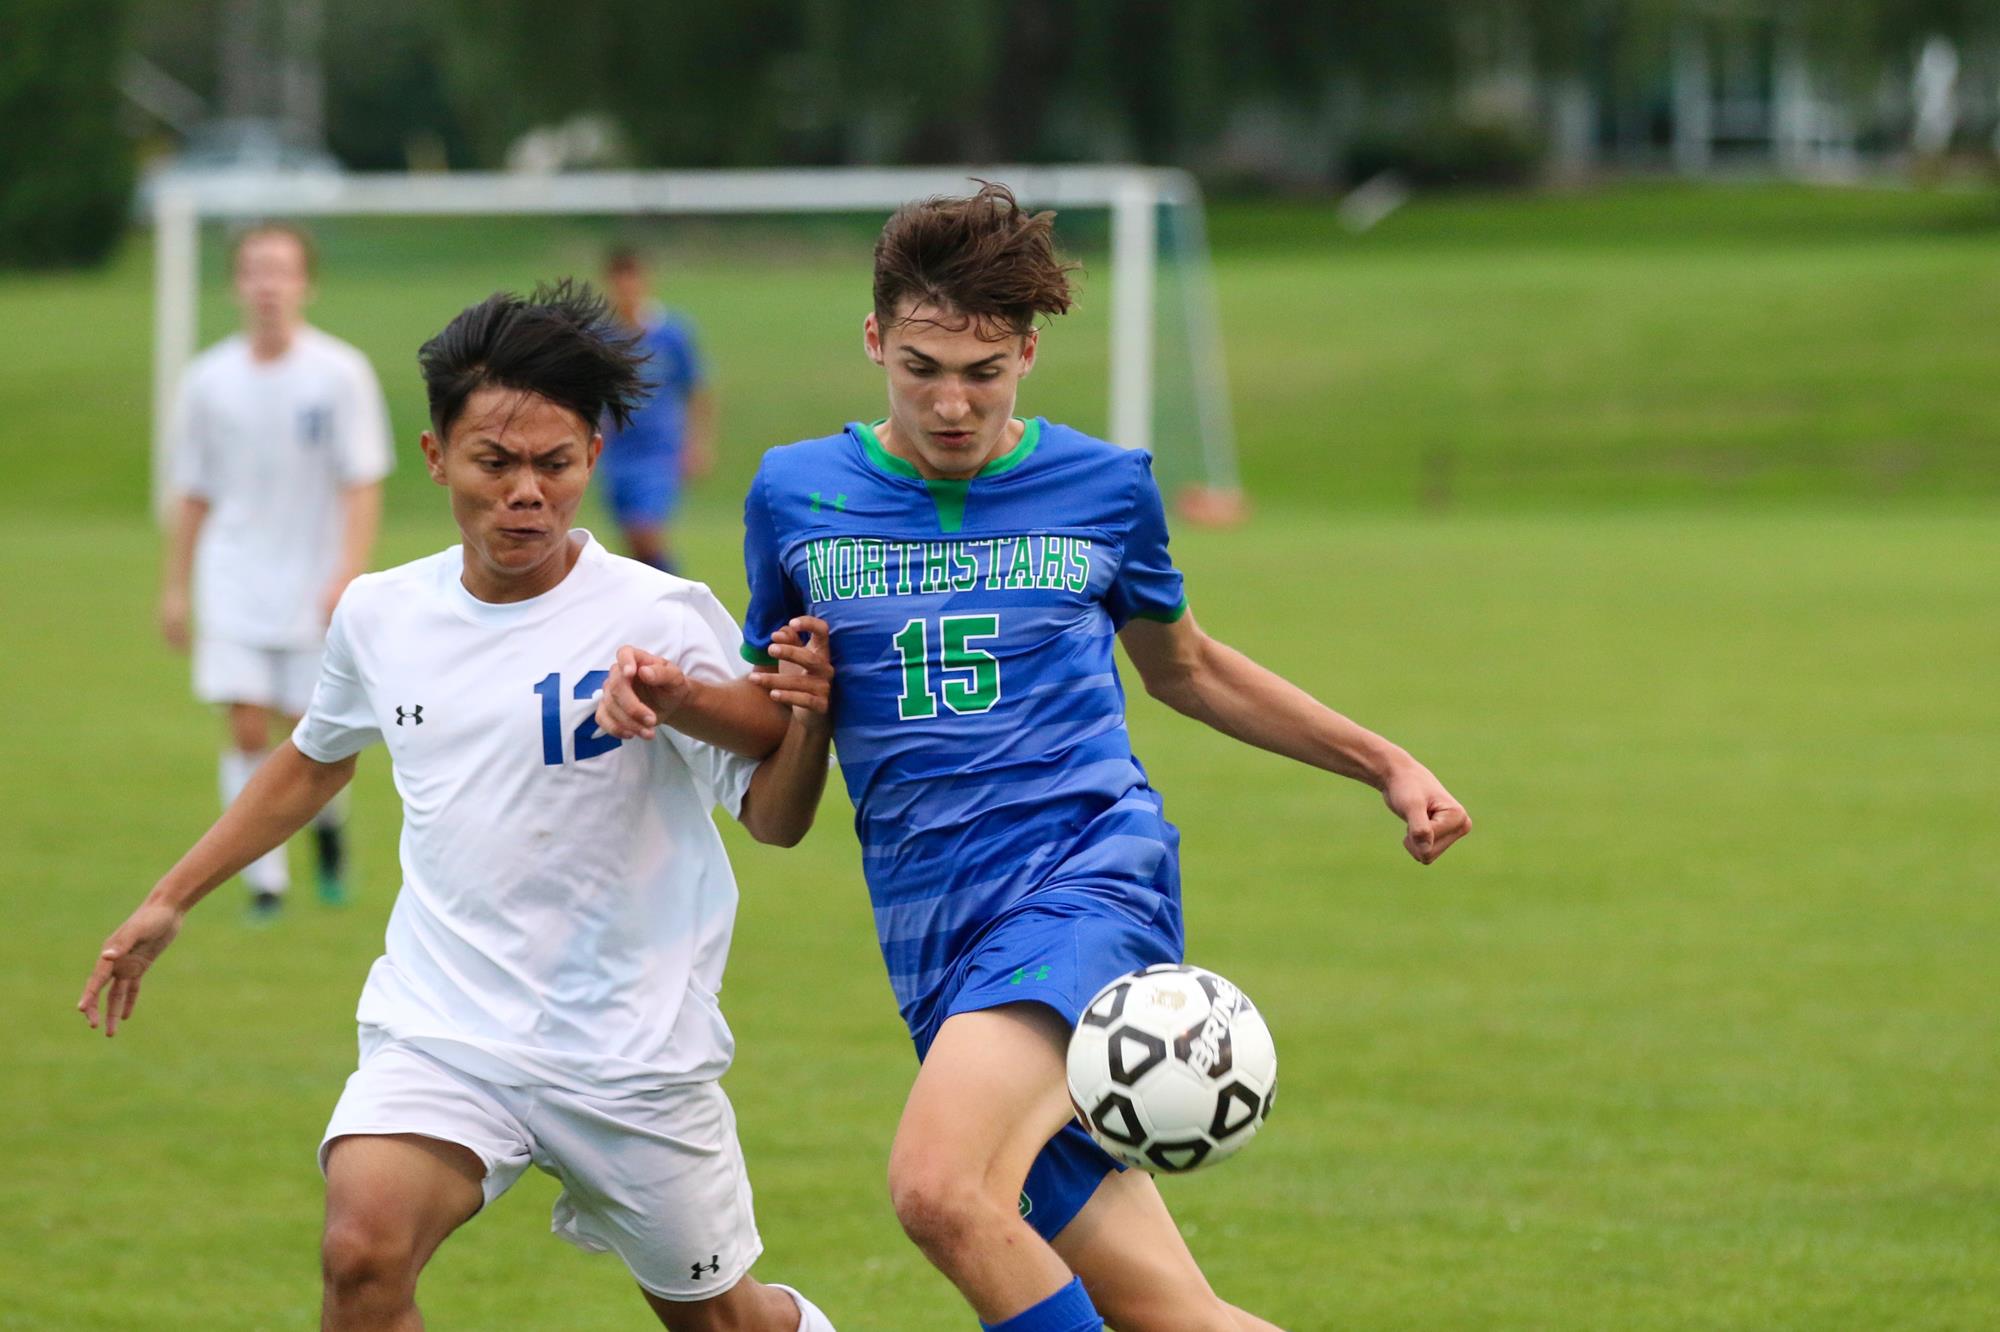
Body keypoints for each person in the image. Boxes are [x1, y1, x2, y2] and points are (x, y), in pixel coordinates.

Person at [600, 184, 1472, 1332]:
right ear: (872, 342)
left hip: (1086, 887)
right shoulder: (795, 494)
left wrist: (1383, 763)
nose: (950, 403)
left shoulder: (1104, 487)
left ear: (1026, 352)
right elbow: (777, 757)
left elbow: (1188, 670)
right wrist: (694, 702)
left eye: (982, 372)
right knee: (1169, 1311)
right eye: (919, 368)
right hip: (931, 938)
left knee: (940, 1189)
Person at [83, 282, 838, 1332]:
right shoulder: (380, 614)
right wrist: (170, 899)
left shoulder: (660, 615)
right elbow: (313, 760)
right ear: (437, 458)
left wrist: (718, 704)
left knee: (723, 1322)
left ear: (593, 458)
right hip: (445, 1029)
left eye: (555, 464)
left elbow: (775, 812)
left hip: (630, 1050)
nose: (526, 493)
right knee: (361, 1253)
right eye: (495, 462)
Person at [159, 221, 392, 917]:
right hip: (232, 575)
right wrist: (175, 588)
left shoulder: (340, 373)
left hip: (311, 581)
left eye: (282, 270)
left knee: (308, 736)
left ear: (305, 283)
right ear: (237, 283)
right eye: (255, 270)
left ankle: (328, 835)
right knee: (245, 727)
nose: (268, 285)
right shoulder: (207, 380)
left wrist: (347, 573)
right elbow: (193, 491)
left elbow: (362, 481)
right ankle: (265, 882)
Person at [601, 246, 717, 573]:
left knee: (646, 532)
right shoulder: (601, 337)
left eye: (632, 278)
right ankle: (651, 601)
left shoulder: (671, 334)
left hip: (659, 450)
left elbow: (697, 388)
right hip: (616, 451)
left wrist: (698, 443)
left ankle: (680, 593)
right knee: (632, 542)